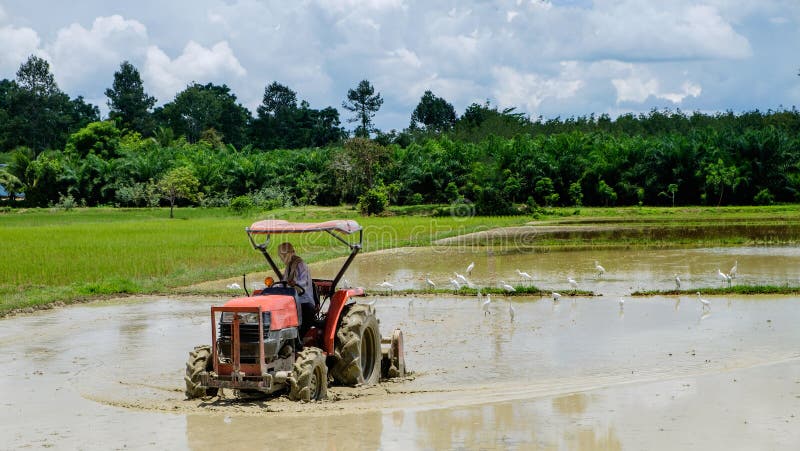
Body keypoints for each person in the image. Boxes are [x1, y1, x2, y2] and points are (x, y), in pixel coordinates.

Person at [277, 242, 315, 337]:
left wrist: (295, 283)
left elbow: (304, 283)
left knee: (307, 310)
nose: (283, 257)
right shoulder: (288, 267)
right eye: (281, 255)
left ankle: (300, 338)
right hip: (292, 299)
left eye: (285, 254)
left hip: (304, 299)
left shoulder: (301, 265)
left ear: (291, 253)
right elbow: (284, 282)